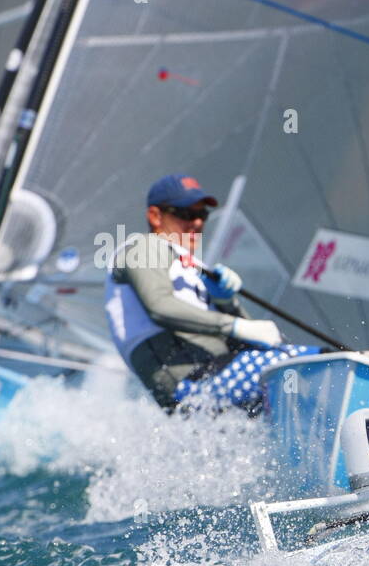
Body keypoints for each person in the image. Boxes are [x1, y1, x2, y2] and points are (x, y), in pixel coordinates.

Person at [104, 174, 317, 413]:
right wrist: (234, 324)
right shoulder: (144, 247)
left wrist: (227, 303)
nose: (197, 223)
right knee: (310, 366)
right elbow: (159, 306)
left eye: (202, 214)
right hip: (192, 385)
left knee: (309, 362)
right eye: (185, 214)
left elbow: (252, 339)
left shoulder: (189, 266)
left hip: (219, 372)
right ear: (155, 216)